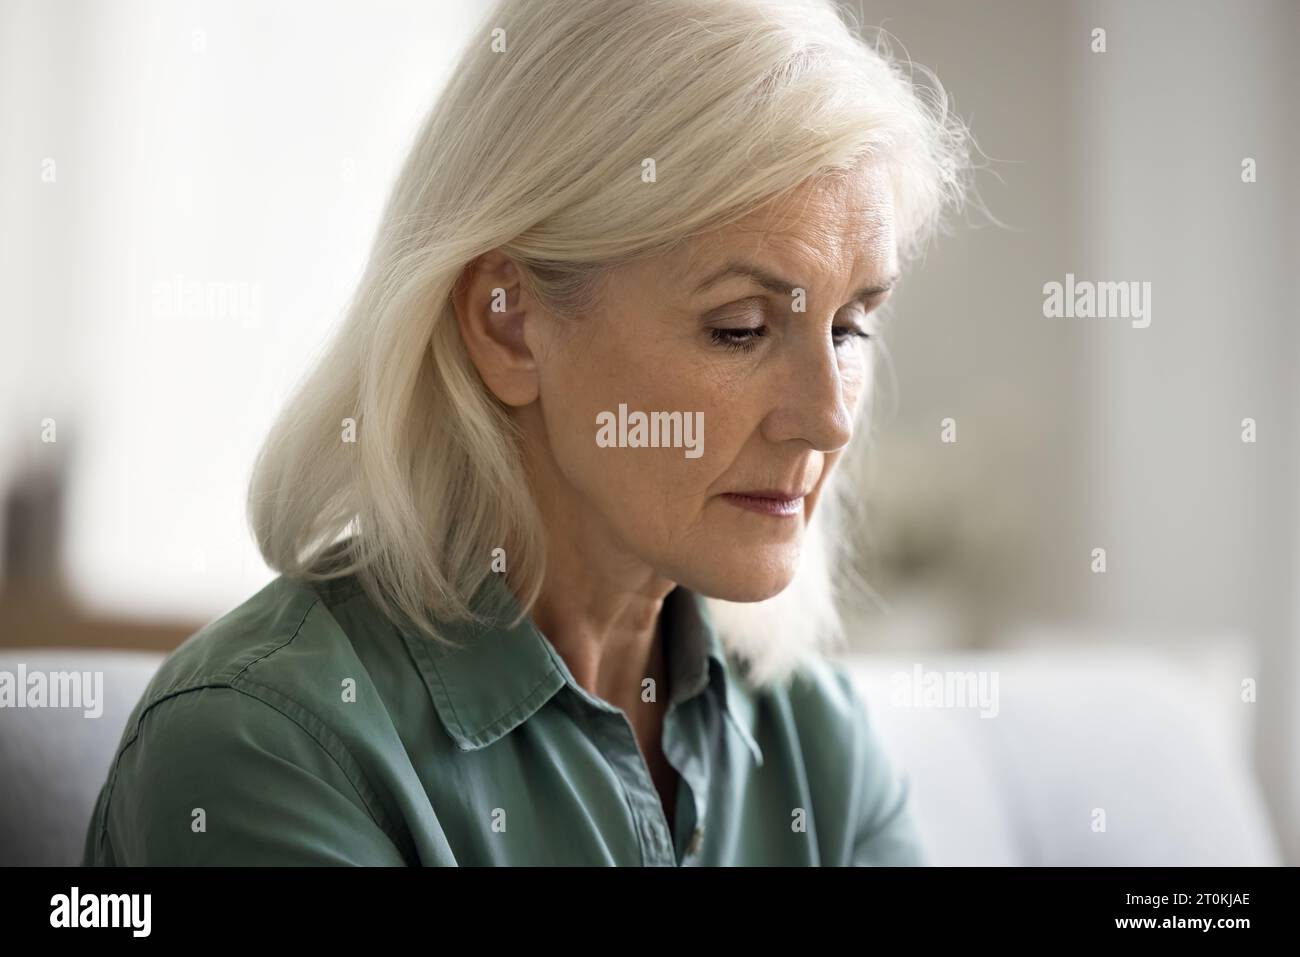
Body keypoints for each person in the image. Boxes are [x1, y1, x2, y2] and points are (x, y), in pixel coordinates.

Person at [82, 0, 972, 866]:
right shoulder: (262, 744)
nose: (829, 416)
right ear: (506, 321)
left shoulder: (812, 737)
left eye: (850, 327)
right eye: (740, 326)